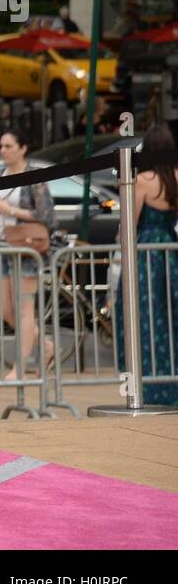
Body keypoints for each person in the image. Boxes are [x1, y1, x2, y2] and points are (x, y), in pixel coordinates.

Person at [0, 129, 57, 381]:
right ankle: (45, 346)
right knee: (3, 309)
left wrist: (11, 210)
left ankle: (21, 367)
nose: (3, 151)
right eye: (1, 146)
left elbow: (47, 216)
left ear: (22, 149)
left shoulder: (34, 178)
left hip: (26, 250)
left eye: (8, 146)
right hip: (1, 248)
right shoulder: (0, 176)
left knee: (24, 309)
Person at [114, 123, 178, 404]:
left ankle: (148, 387)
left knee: (144, 320)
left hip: (146, 254)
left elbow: (128, 223)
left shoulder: (142, 180)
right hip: (171, 250)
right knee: (170, 320)